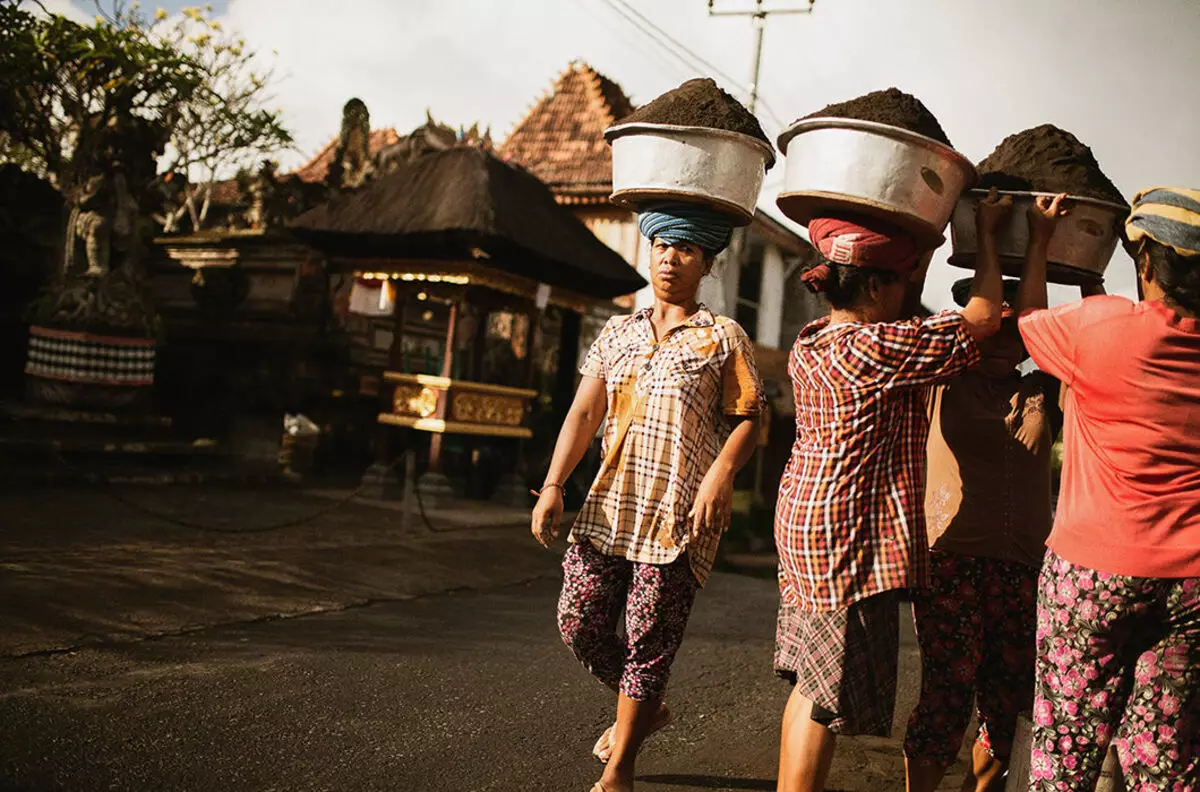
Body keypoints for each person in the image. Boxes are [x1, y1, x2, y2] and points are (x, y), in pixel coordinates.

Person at [774, 191, 1010, 792]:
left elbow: (905, 322)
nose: (907, 293)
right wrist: (984, 233)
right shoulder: (877, 349)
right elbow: (981, 322)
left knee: (810, 681)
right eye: (900, 282)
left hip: (804, 521)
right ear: (878, 287)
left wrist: (924, 248)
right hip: (846, 534)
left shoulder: (815, 338)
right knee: (826, 698)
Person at [530, 202, 766, 792]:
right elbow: (584, 412)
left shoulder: (723, 337)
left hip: (675, 518)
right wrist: (555, 484)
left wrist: (719, 476)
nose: (670, 258)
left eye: (686, 249)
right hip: (610, 507)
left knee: (648, 641)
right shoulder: (618, 331)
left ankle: (620, 769)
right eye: (663, 246)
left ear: (707, 262)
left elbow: (749, 420)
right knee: (578, 622)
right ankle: (647, 710)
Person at [1018, 187, 1200, 790]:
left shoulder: (1099, 329)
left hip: (1092, 575)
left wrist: (1041, 242)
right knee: (1164, 761)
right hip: (1193, 586)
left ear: (1145, 262)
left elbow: (1028, 324)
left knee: (1066, 750)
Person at [903, 195, 1071, 792]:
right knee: (947, 691)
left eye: (1013, 328)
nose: (1004, 336)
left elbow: (1032, 322)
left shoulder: (1041, 387)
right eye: (990, 324)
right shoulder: (944, 374)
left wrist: (1041, 240)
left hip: (1025, 566)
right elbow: (989, 316)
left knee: (1008, 701)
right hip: (951, 558)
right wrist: (990, 236)